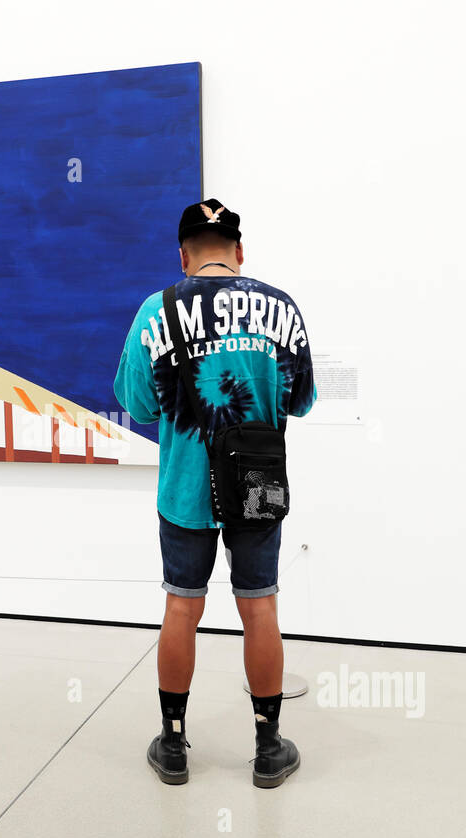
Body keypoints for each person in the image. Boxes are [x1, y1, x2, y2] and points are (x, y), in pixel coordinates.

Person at [113, 199, 316, 788]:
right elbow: (298, 401)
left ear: (183, 257)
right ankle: (268, 747)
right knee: (259, 608)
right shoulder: (281, 308)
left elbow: (141, 404)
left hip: (185, 491)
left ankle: (173, 746)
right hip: (256, 485)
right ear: (240, 251)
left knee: (182, 605)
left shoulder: (155, 311)